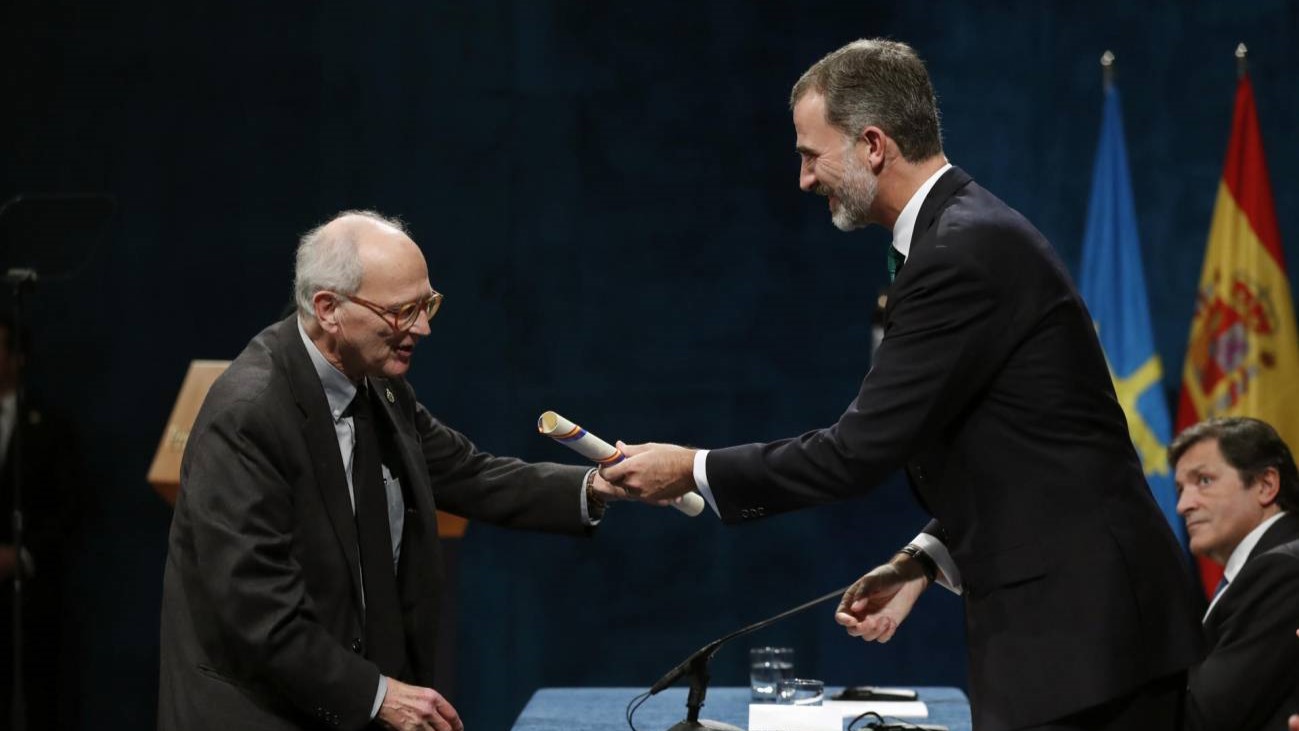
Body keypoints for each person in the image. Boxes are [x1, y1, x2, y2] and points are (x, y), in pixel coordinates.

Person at [602, 39, 1202, 730]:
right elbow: (1020, 447)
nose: (802, 179)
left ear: (873, 144)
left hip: (1086, 633)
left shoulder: (960, 249)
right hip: (1075, 625)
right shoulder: (959, 236)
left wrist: (692, 469)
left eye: (809, 154)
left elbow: (854, 451)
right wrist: (924, 557)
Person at [158, 211, 632, 731]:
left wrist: (595, 486)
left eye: (427, 304)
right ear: (328, 309)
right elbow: (258, 612)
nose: (423, 328)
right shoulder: (248, 416)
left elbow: (468, 474)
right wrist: (378, 696)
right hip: (264, 714)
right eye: (403, 311)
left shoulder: (378, 386)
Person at [1171, 417, 1299, 731]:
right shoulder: (1262, 569)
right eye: (1180, 489)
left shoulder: (1283, 569)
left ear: (1266, 485)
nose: (1183, 505)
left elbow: (1204, 718)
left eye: (1203, 480)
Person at [0, 313, 81, 730]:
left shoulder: (48, 425)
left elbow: (70, 505)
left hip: (29, 596)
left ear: (17, 358)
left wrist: (24, 553)